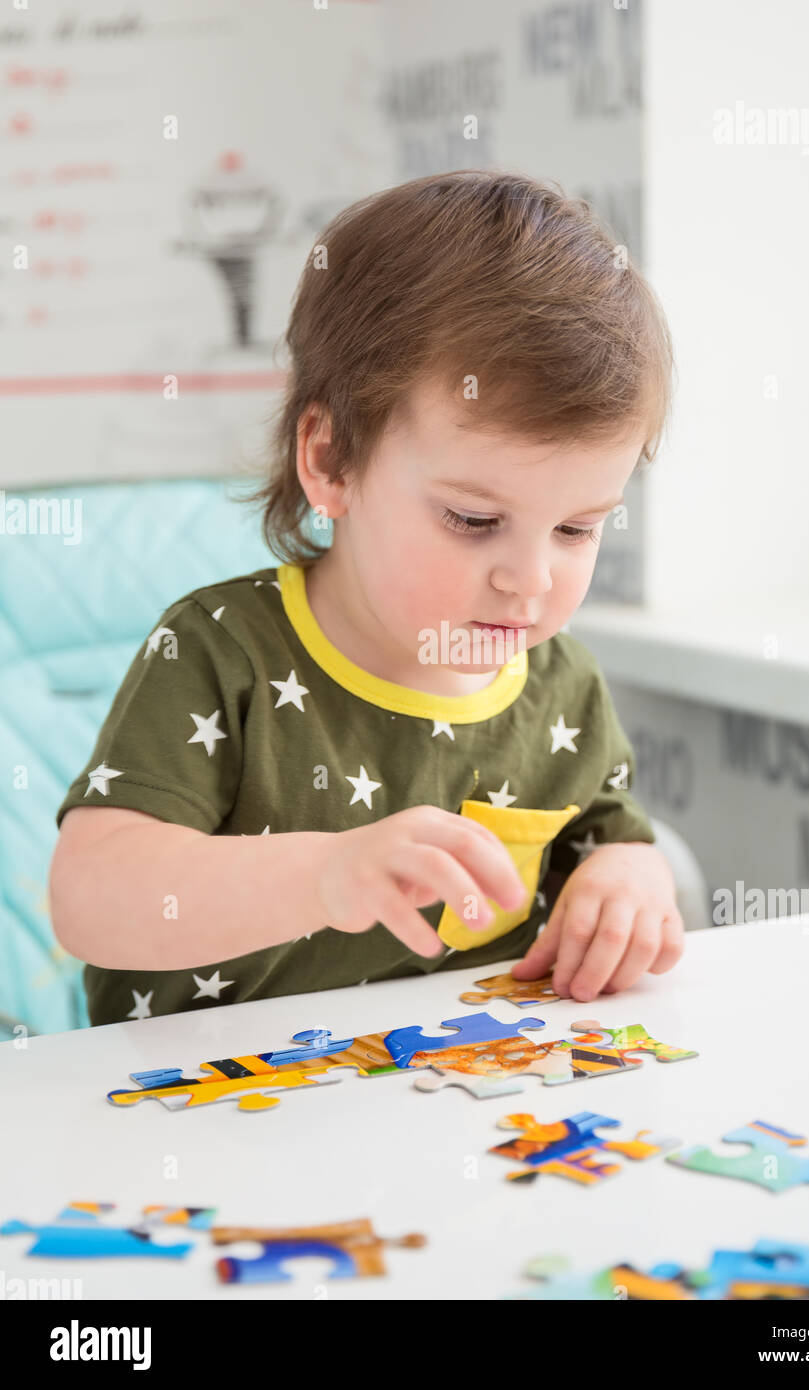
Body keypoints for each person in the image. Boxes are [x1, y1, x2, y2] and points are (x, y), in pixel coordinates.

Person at [49, 169, 684, 1027]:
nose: (529, 580)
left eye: (577, 529)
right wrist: (322, 875)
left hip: (451, 1114)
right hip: (205, 1119)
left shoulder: (558, 682)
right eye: (473, 518)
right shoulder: (219, 651)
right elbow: (92, 897)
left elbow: (613, 840)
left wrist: (626, 882)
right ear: (330, 460)